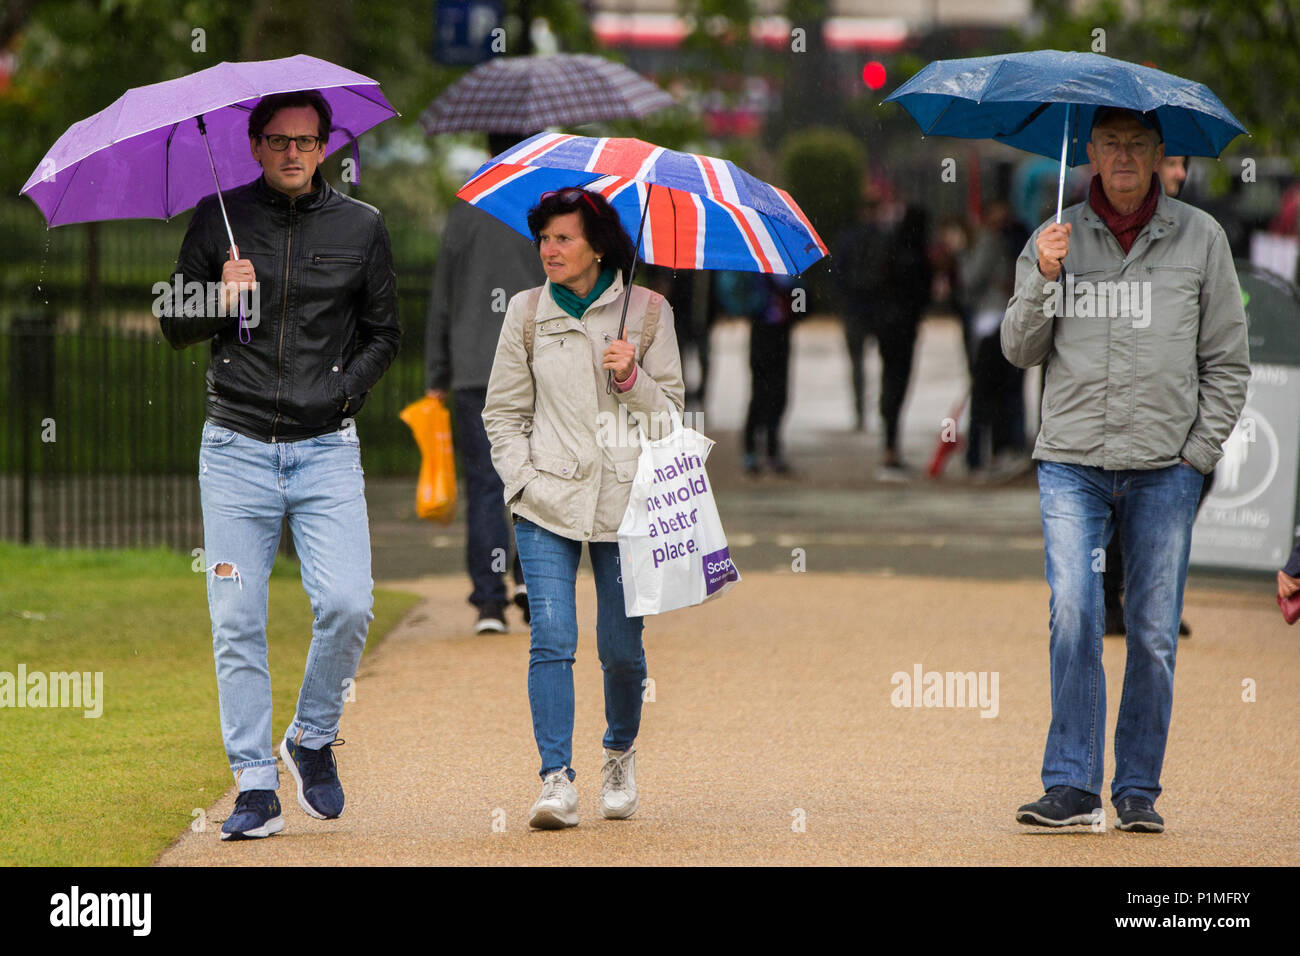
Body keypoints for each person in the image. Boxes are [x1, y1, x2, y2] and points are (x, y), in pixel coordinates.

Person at [159, 90, 401, 841]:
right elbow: (172, 322)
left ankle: (312, 737)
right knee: (236, 619)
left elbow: (383, 333)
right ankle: (255, 785)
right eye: (277, 139)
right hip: (234, 448)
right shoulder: (218, 219)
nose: (292, 151)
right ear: (256, 146)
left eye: (305, 139)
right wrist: (215, 300)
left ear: (325, 145)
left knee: (349, 604)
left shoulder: (363, 227)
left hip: (326, 449)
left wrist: (341, 388)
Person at [1002, 107, 1249, 833]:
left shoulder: (1203, 239)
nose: (1124, 157)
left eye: (1138, 145)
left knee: (1152, 632)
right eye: (1110, 143)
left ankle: (1137, 788)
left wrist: (1196, 457)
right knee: (1074, 612)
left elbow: (1227, 365)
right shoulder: (1054, 236)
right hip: (1072, 462)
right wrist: (1045, 274)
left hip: (1165, 468)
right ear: (1088, 153)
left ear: (1160, 155)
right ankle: (1073, 786)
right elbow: (1020, 348)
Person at [482, 187, 684, 829]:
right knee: (553, 638)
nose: (550, 249)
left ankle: (619, 754)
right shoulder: (523, 312)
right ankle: (555, 781)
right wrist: (522, 483)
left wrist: (631, 379)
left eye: (564, 238)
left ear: (598, 246)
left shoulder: (650, 312)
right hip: (546, 501)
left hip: (627, 507)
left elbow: (673, 422)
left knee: (621, 650)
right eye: (544, 238)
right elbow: (503, 413)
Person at [426, 133, 545, 635]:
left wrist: (437, 373)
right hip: (540, 364)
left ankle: (489, 600)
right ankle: (533, 580)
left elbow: (443, 298)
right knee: (539, 480)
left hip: (477, 368)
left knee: (484, 484)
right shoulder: (547, 211)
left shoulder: (466, 209)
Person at [1103, 151, 1211, 636]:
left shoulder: (1201, 233)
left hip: (1173, 422)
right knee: (1111, 504)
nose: (1180, 173)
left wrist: (1201, 447)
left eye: (1183, 164)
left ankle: (1150, 599)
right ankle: (1112, 596)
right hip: (1106, 421)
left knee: (1179, 494)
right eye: (1171, 163)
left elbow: (1225, 352)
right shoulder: (1071, 233)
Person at [960, 201, 1028, 477]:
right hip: (995, 322)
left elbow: (970, 278)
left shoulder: (994, 240)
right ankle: (988, 452)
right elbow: (972, 278)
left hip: (992, 320)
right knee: (994, 391)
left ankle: (987, 452)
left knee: (988, 391)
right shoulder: (998, 240)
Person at [716, 270, 797, 475]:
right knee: (761, 393)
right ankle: (751, 451)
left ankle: (772, 449)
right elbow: (744, 302)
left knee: (779, 394)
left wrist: (794, 303)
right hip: (762, 333)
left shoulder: (788, 271)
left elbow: (801, 303)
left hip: (781, 333)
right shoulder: (755, 272)